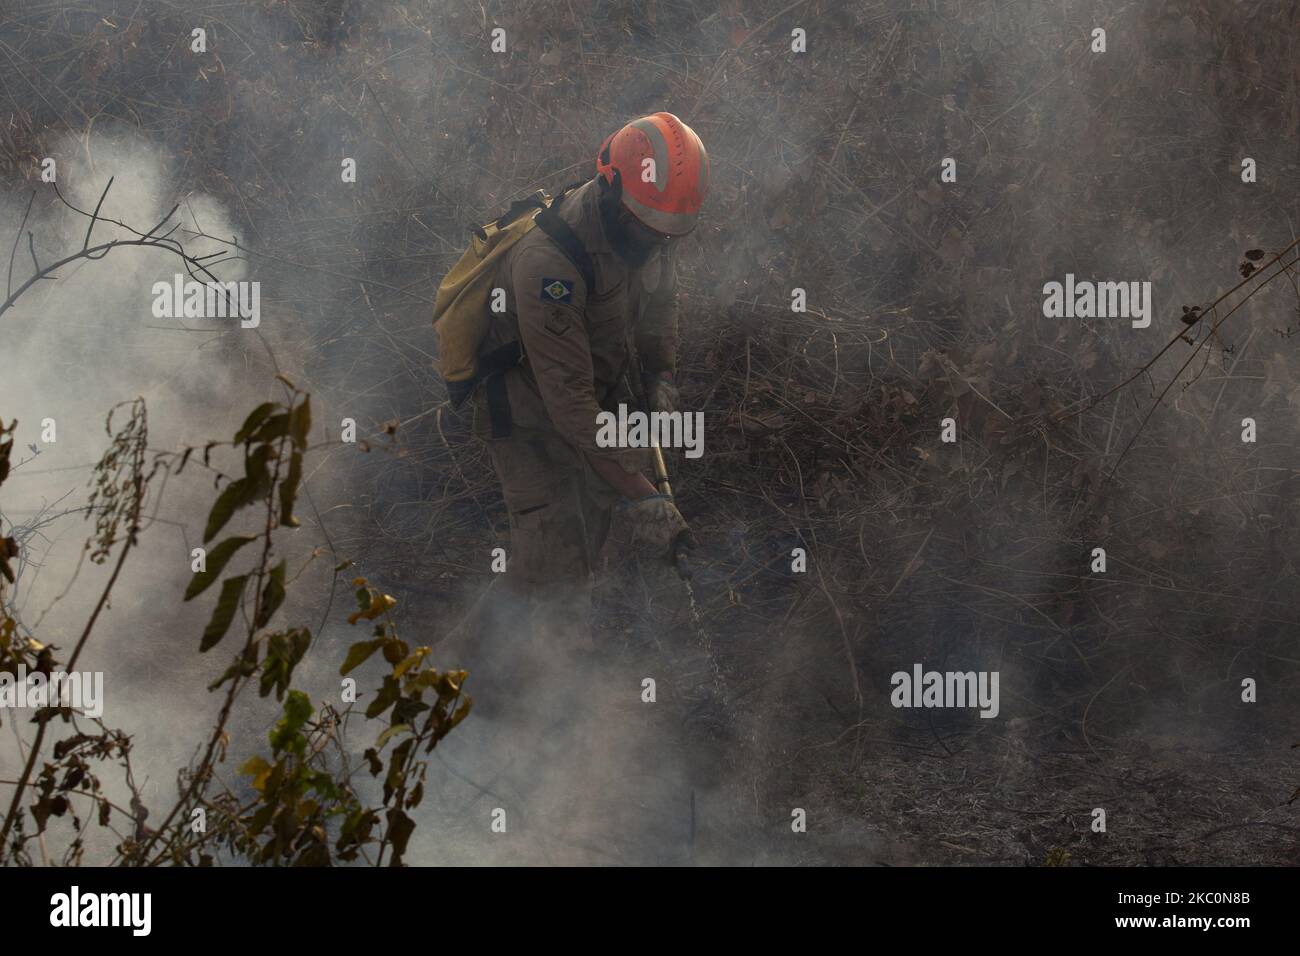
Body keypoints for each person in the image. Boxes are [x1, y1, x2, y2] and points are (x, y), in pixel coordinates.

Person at [448, 112, 709, 700]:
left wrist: (662, 375)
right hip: (528, 409)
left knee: (579, 543)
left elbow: (660, 306)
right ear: (612, 187)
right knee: (552, 548)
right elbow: (568, 408)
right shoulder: (549, 265)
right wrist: (648, 497)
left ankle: (498, 670)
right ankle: (498, 698)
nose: (654, 241)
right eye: (646, 228)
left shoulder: (649, 225)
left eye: (664, 232)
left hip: (591, 389)